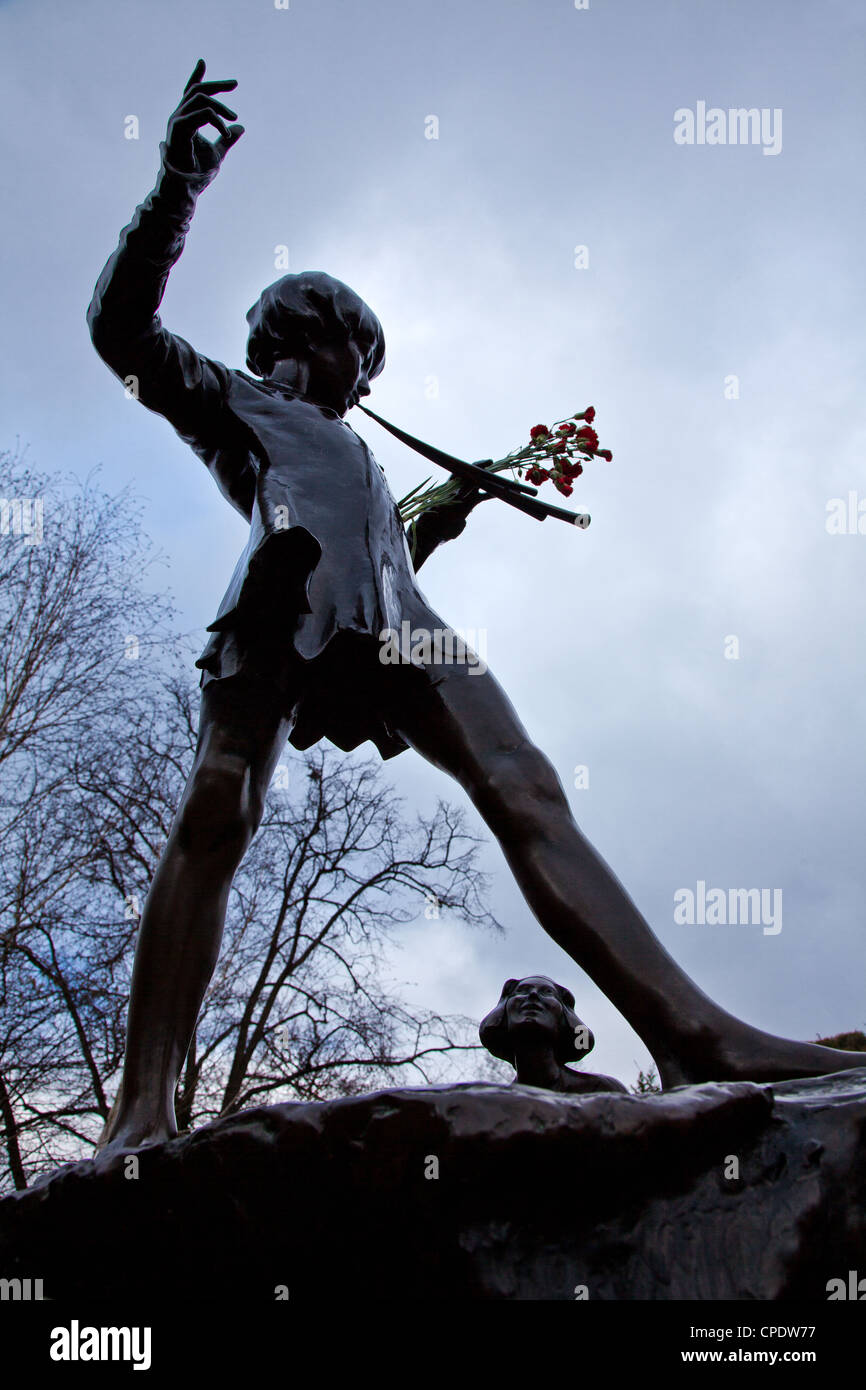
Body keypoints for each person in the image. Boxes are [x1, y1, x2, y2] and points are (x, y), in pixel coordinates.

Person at [88, 61, 866, 1151]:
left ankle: (695, 1033)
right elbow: (119, 330)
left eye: (367, 359)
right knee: (219, 810)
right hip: (279, 596)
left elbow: (389, 553)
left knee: (526, 783)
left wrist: (455, 506)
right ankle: (140, 1111)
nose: (359, 373)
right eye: (348, 347)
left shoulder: (357, 448)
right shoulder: (234, 400)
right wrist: (174, 192)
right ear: (295, 333)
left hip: (396, 619)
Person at [480, 976, 627, 1094]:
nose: (532, 995)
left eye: (547, 992)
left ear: (564, 1018)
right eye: (522, 991)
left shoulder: (601, 1091)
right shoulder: (498, 1105)